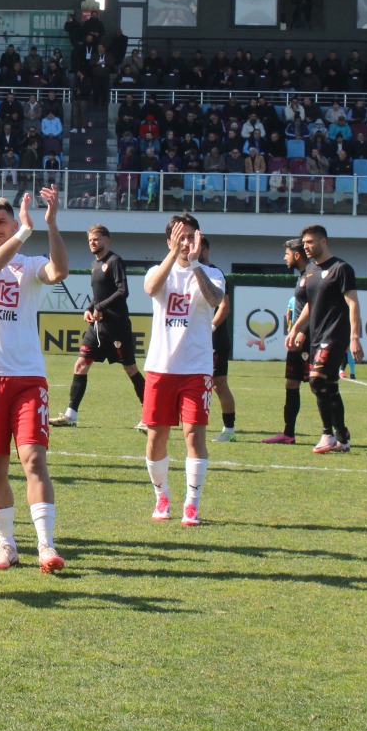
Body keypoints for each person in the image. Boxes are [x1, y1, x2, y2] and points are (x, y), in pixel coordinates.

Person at [0, 188, 69, 573]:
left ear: (12, 223)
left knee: (34, 459)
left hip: (27, 377)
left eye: (1, 222)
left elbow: (58, 272)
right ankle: (7, 546)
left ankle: (46, 545)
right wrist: (24, 231)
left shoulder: (29, 262)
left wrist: (51, 225)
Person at [141, 214, 224, 527]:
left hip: (196, 369)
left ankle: (192, 503)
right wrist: (173, 256)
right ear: (169, 241)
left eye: (191, 236)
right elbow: (151, 288)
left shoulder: (212, 273)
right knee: (155, 438)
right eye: (180, 237)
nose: (186, 242)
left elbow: (215, 299)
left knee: (194, 435)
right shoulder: (158, 271)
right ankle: (161, 495)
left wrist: (196, 264)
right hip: (161, 368)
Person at [51, 225, 146, 430]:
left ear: (107, 240)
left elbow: (123, 291)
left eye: (96, 239)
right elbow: (98, 296)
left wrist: (101, 306)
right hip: (97, 327)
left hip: (117, 327)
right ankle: (70, 415)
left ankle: (150, 415)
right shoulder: (94, 264)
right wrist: (90, 307)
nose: (92, 243)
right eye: (90, 240)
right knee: (80, 365)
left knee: (130, 369)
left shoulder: (114, 261)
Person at [286, 224, 361, 455]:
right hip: (316, 336)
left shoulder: (341, 268)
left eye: (310, 242)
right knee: (329, 386)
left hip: (335, 335)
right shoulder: (310, 270)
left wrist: (355, 337)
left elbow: (353, 302)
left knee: (316, 380)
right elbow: (310, 304)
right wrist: (296, 328)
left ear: (323, 241)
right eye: (304, 243)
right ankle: (342, 437)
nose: (306, 247)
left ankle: (327, 434)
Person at [263, 238, 310, 445]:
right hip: (298, 337)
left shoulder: (312, 275)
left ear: (297, 255)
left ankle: (337, 432)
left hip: (308, 339)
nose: (284, 257)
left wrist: (302, 332)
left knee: (321, 385)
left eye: (287, 254)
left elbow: (315, 307)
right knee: (292, 384)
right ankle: (288, 433)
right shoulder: (302, 276)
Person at [198, 238, 238, 442]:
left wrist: (211, 327)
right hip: (196, 338)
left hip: (215, 339)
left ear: (204, 249)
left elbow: (224, 306)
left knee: (219, 383)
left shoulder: (216, 274)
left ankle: (229, 430)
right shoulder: (189, 272)